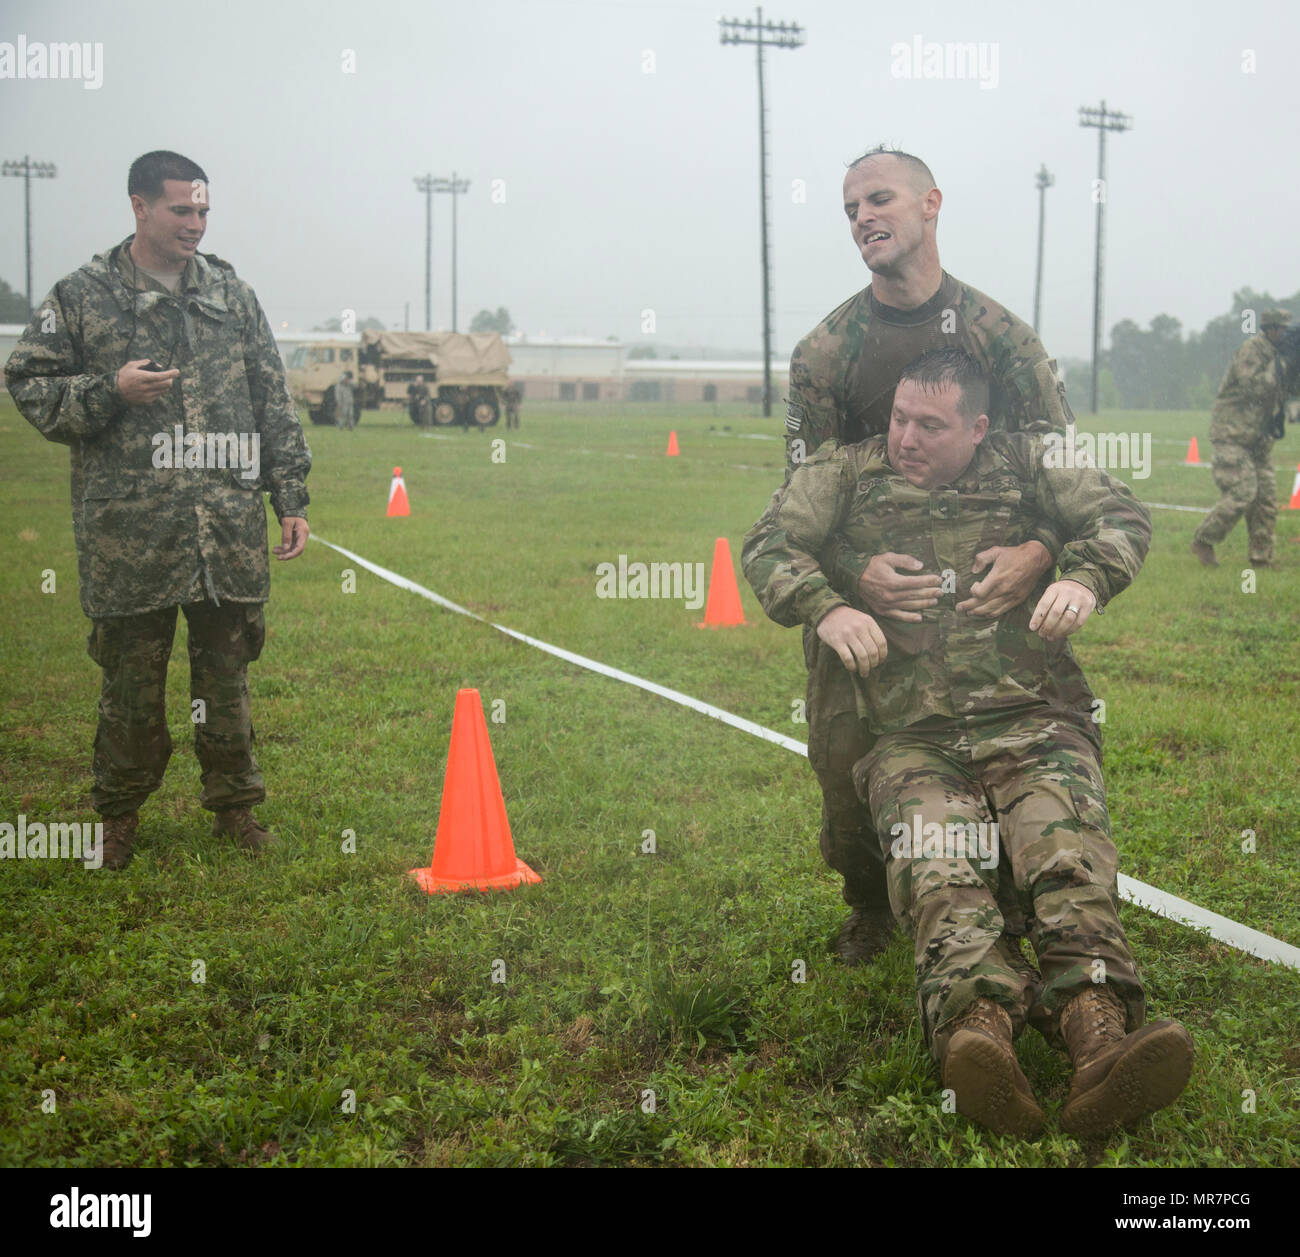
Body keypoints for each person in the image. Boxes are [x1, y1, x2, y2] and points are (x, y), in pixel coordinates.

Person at [744, 347, 1193, 1137]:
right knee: (938, 864)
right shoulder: (845, 475)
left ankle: (1099, 1040)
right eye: (897, 418)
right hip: (911, 738)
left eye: (929, 424)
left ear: (978, 427)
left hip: (1034, 719)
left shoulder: (1027, 461)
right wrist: (828, 602)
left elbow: (1121, 513)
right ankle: (978, 1035)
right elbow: (768, 543)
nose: (904, 438)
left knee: (1066, 855)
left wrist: (1077, 575)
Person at [757, 145, 1077, 965]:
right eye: (850, 208)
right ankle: (870, 901)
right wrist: (851, 578)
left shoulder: (1002, 339)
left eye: (879, 198)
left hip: (984, 600)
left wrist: (1040, 553)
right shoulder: (826, 353)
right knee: (843, 758)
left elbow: (1060, 477)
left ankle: (1002, 902)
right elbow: (800, 501)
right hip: (864, 605)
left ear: (931, 204)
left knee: (1010, 740)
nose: (863, 217)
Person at [4, 150, 311, 870]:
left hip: (224, 531)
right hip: (130, 534)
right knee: (130, 684)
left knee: (226, 677)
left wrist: (289, 496)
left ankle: (236, 808)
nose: (196, 224)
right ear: (140, 206)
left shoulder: (231, 296)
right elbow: (28, 383)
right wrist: (109, 388)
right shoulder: (82, 296)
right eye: (182, 210)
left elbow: (273, 399)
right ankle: (118, 817)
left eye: (203, 210)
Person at [1191, 308, 1291, 568]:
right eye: (1282, 329)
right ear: (1270, 329)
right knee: (1243, 492)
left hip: (1259, 441)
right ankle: (1204, 540)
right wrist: (1279, 369)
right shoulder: (1252, 351)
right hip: (1232, 436)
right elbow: (1252, 387)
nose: (1285, 334)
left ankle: (1261, 560)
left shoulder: (1280, 355)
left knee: (1266, 501)